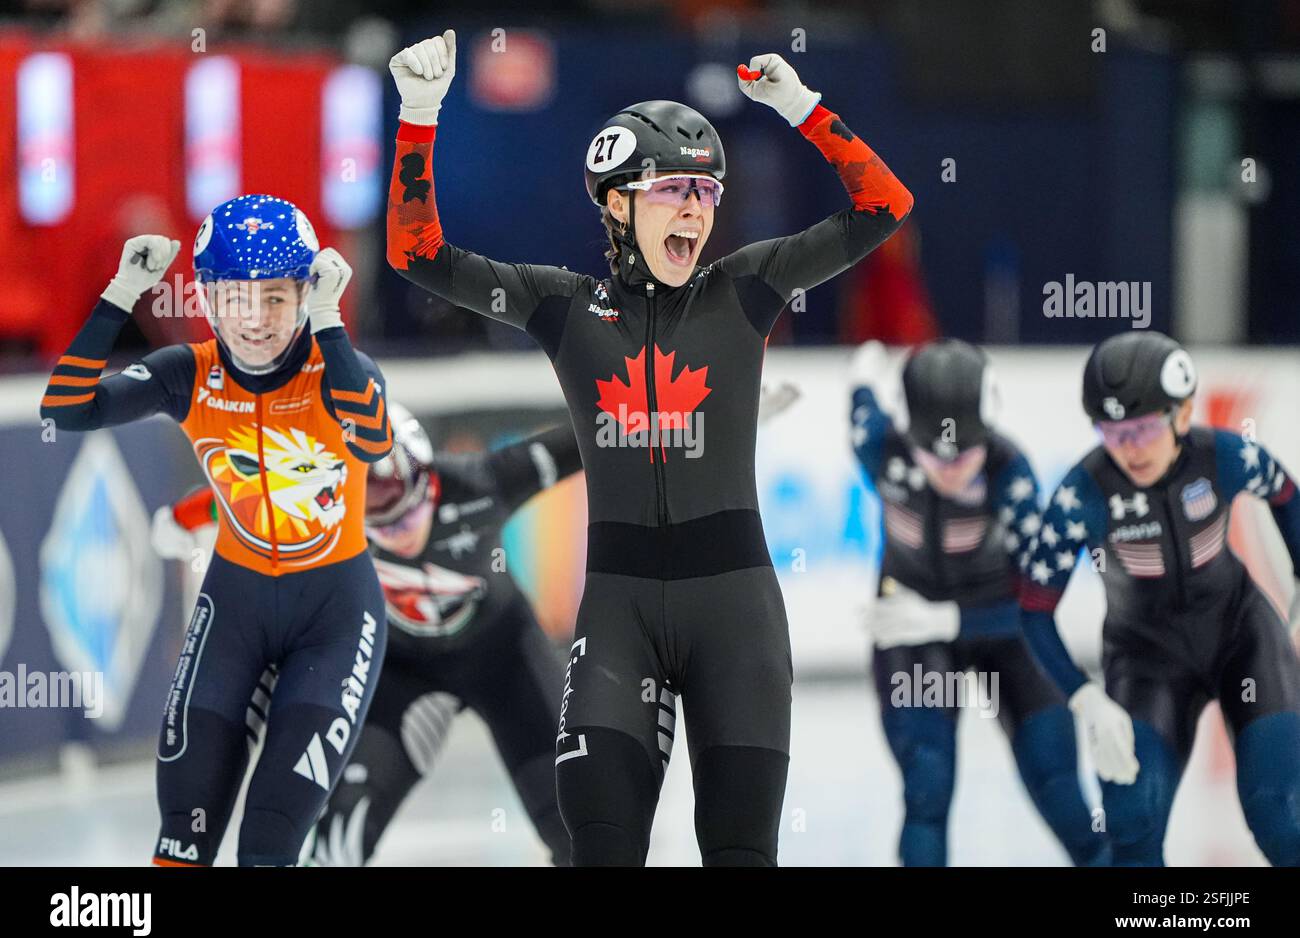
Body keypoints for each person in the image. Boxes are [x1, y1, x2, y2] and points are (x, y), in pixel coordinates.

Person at [384, 30, 913, 865]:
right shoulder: (560, 306)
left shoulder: (749, 287)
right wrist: (419, 116)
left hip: (734, 614)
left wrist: (804, 111)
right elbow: (416, 257)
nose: (697, 208)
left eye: (707, 190)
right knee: (599, 846)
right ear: (617, 204)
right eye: (673, 189)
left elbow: (886, 207)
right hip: (618, 612)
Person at [40, 194, 393, 866]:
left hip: (335, 620)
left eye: (276, 299)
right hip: (234, 607)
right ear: (204, 299)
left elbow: (372, 442)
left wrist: (330, 326)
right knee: (182, 838)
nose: (254, 320)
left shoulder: (337, 373)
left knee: (267, 846)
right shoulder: (190, 373)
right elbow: (68, 408)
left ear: (305, 295)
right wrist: (120, 295)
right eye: (233, 299)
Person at [154, 404, 582, 865]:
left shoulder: (485, 480)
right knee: (340, 836)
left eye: (390, 492)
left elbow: (585, 439)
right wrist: (181, 519)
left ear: (423, 473)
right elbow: (245, 501)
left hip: (506, 661)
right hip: (403, 672)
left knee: (576, 820)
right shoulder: (322, 512)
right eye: (365, 500)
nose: (386, 517)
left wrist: (657, 424)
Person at [1020, 331, 1300, 866]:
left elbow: (1286, 494)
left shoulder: (1223, 455)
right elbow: (1034, 612)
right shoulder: (1083, 495)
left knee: (1280, 812)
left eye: (1144, 428)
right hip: (1148, 664)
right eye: (1111, 432)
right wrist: (1084, 697)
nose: (1129, 448)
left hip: (1244, 640)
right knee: (1132, 821)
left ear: (1183, 411)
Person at [850, 340, 1107, 866]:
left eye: (966, 452)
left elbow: (1040, 602)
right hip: (912, 635)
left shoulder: (1010, 472)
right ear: (905, 430)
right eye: (931, 453)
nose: (949, 468)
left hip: (1003, 630)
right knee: (928, 786)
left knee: (1062, 794)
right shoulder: (877, 442)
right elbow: (861, 392)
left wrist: (948, 617)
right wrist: (864, 368)